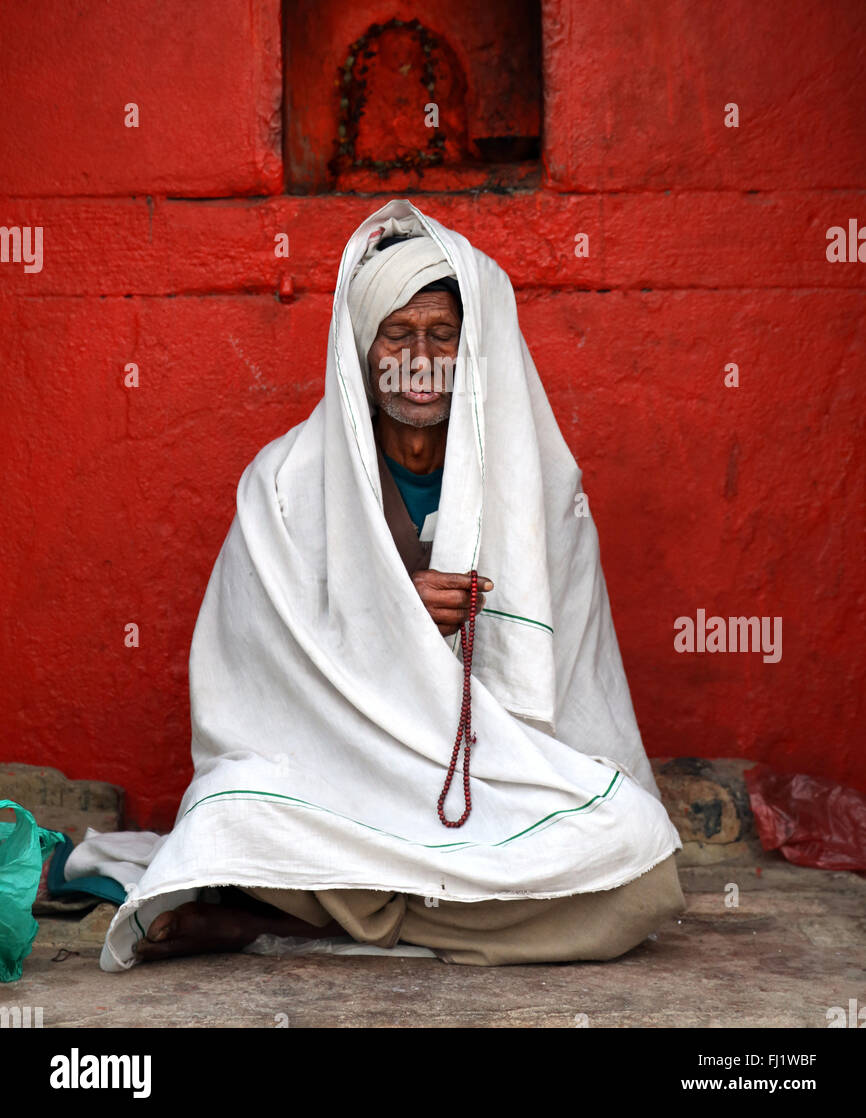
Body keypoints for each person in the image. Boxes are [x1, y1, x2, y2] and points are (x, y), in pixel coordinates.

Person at [99, 200, 684, 970]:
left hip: (490, 780)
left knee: (637, 863)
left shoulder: (537, 489)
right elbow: (252, 679)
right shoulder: (284, 483)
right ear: (362, 351)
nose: (420, 359)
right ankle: (394, 910)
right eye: (397, 336)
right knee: (228, 817)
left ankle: (319, 923)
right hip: (342, 778)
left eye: (442, 337)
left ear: (472, 353)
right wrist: (390, 615)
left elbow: (571, 688)